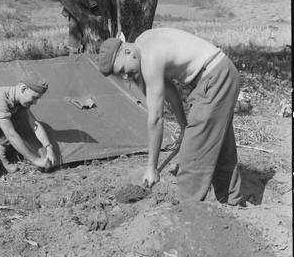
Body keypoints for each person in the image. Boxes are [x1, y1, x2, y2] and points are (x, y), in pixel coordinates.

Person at [94, 27, 243, 206]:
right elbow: (170, 92)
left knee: (192, 153)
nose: (126, 76)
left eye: (122, 70)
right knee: (218, 145)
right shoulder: (143, 44)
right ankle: (232, 203)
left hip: (215, 78)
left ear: (127, 51)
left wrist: (151, 168)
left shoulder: (149, 58)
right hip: (221, 73)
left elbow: (156, 118)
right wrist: (183, 127)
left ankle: (188, 212)